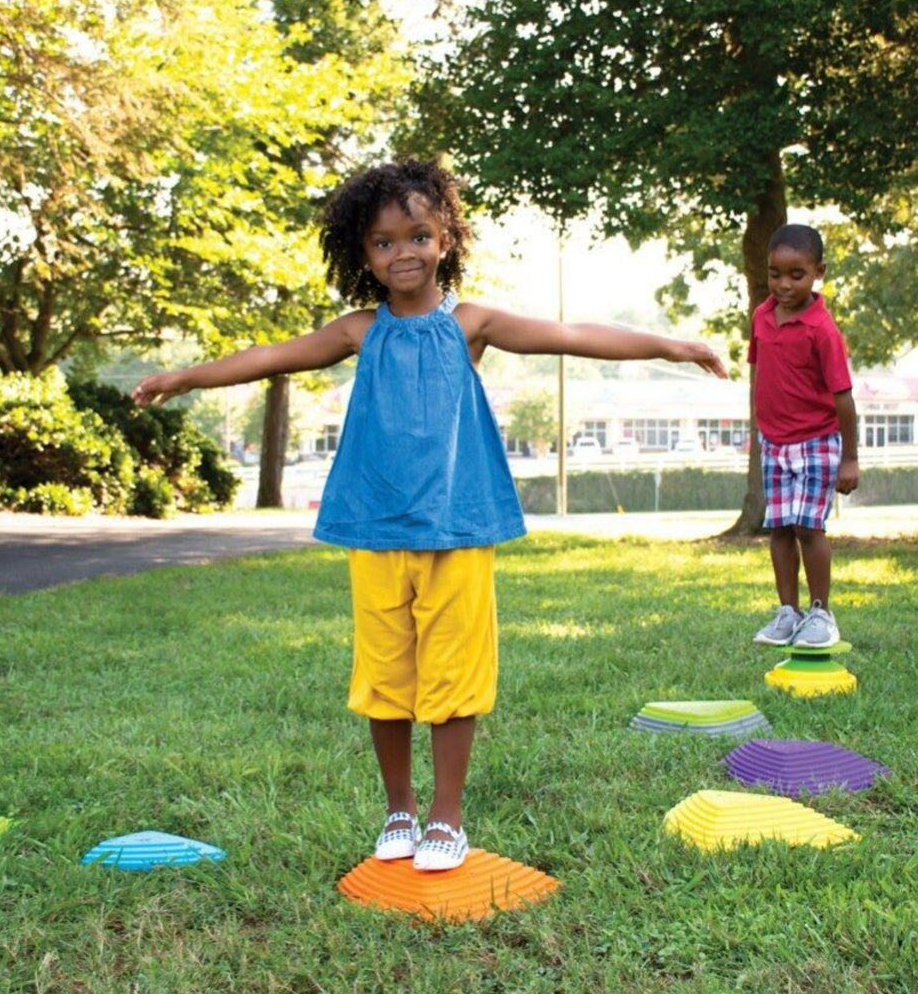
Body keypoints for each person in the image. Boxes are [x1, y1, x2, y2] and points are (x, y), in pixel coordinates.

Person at [132, 159, 725, 870]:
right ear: (365, 255)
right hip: (376, 529)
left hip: (457, 526)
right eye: (384, 242)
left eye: (417, 235)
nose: (402, 252)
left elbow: (573, 335)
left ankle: (446, 816)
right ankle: (399, 812)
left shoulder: (471, 323)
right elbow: (272, 356)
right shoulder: (358, 331)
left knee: (453, 674)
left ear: (445, 238)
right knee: (385, 677)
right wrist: (185, 376)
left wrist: (674, 346)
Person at [750, 224, 860, 650]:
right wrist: (760, 427)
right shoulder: (761, 316)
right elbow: (761, 373)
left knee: (807, 526)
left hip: (816, 440)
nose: (783, 284)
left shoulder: (823, 331)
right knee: (778, 527)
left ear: (818, 272)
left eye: (796, 274)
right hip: (774, 443)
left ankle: (820, 613)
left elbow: (844, 399)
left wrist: (849, 458)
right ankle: (787, 612)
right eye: (775, 274)